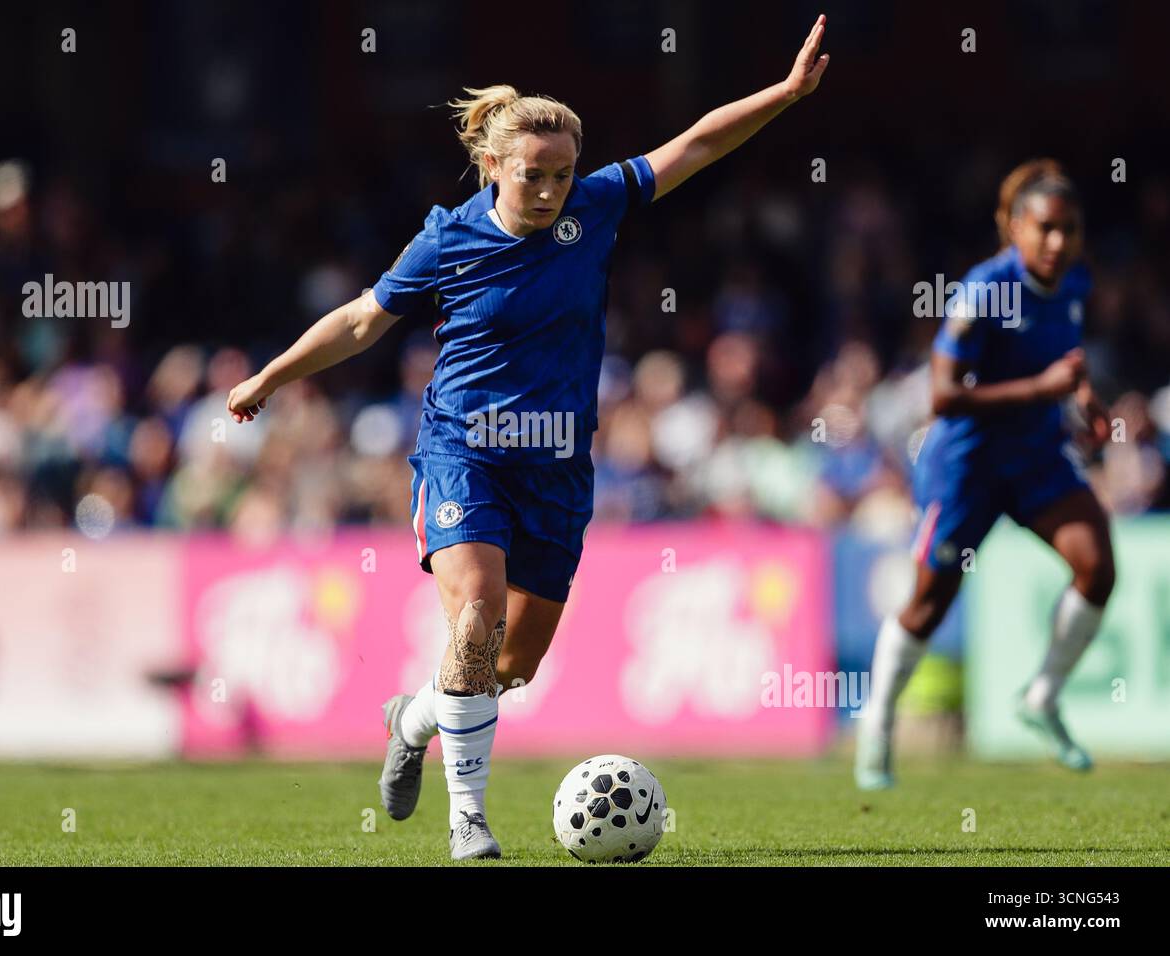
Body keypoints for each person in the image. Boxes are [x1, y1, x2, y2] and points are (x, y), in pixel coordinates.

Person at [229, 16, 830, 857]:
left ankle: (415, 717)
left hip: (557, 470)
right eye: (534, 176)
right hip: (463, 453)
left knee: (508, 667)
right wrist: (270, 377)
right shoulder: (449, 236)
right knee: (473, 615)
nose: (550, 191)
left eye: (562, 174)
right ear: (493, 168)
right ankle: (468, 819)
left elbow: (695, 145)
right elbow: (365, 321)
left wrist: (787, 93)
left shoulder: (598, 203)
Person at [855, 160, 1117, 790]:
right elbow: (943, 397)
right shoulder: (983, 290)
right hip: (966, 468)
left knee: (1097, 565)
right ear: (1015, 228)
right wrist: (1043, 388)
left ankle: (1042, 697)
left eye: (1070, 230)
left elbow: (1065, 364)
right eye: (1047, 228)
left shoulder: (1074, 285)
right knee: (927, 605)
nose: (1059, 242)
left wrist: (1081, 401)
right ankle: (879, 723)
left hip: (1034, 459)